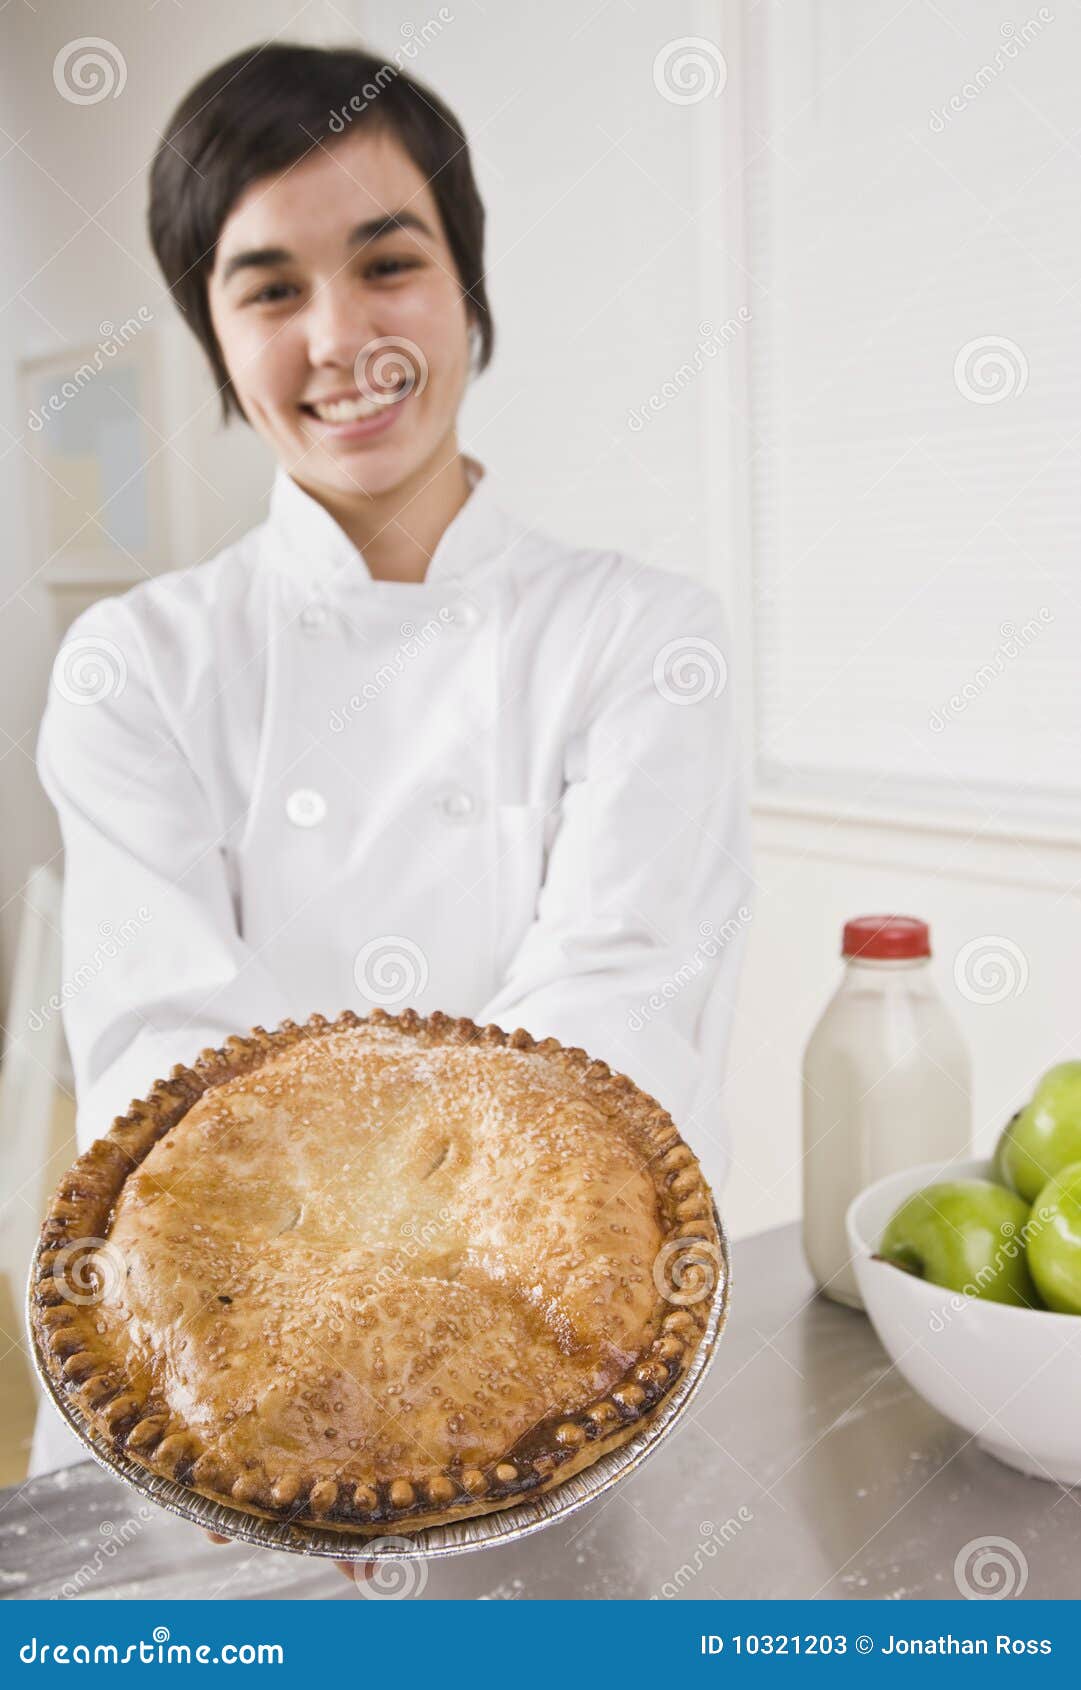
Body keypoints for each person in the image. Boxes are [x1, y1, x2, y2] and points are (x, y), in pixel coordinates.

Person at [30, 40, 754, 1567]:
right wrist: (295, 1380)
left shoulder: (643, 636)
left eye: (388, 261)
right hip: (204, 1400)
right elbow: (161, 1047)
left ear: (468, 290)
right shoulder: (131, 664)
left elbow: (613, 1002)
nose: (340, 334)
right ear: (211, 335)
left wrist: (464, 1341)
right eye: (269, 286)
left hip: (552, 1364)